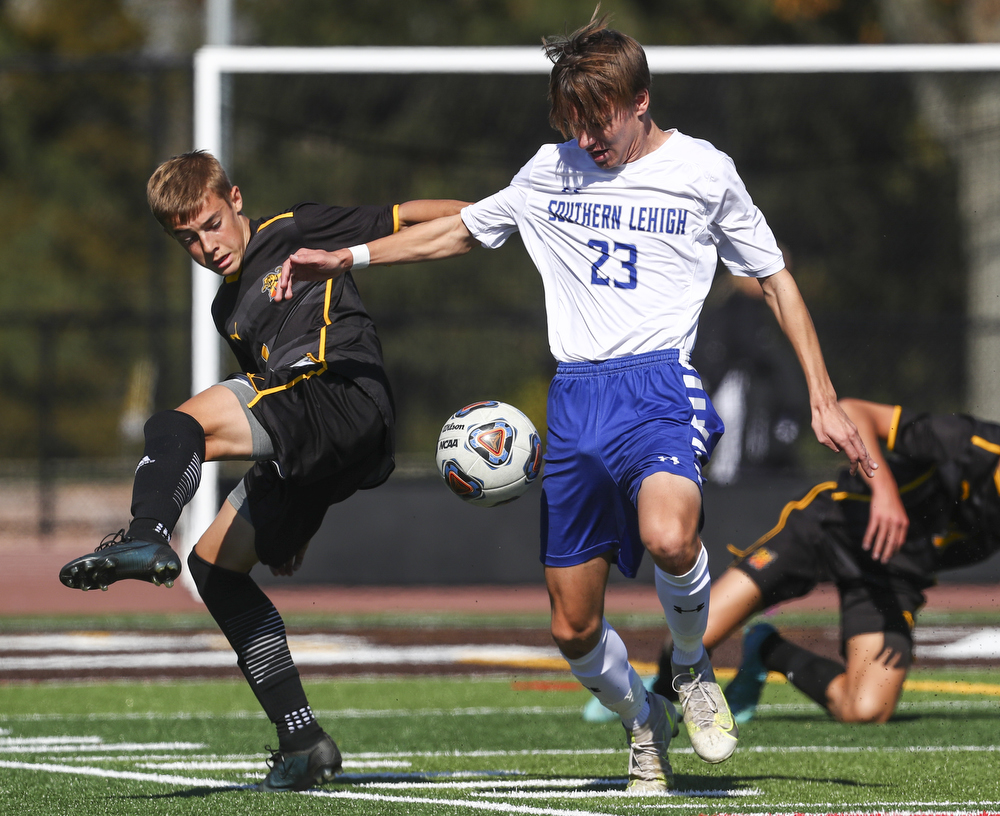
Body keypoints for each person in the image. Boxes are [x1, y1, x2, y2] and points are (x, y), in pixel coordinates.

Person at [272, 12, 874, 794]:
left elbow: (775, 277)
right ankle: (642, 725)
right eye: (574, 123)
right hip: (577, 403)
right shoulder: (548, 170)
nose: (589, 139)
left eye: (602, 121)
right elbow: (458, 232)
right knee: (572, 628)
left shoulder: (704, 170)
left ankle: (691, 666)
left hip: (660, 386)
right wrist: (346, 258)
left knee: (668, 535)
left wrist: (821, 397)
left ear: (642, 101)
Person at [57, 150, 467, 792]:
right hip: (325, 438)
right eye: (186, 238)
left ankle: (145, 532)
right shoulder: (229, 312)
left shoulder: (295, 230)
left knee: (176, 427)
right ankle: (304, 740)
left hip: (341, 393)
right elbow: (283, 417)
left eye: (212, 224)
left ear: (236, 199)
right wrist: (299, 518)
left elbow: (410, 215)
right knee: (214, 569)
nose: (204, 245)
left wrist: (504, 215)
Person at [600, 396, 998, 727]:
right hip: (829, 528)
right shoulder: (968, 443)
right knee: (691, 634)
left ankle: (768, 650)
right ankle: (652, 702)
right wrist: (885, 492)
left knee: (866, 710)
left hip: (891, 578)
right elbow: (852, 410)